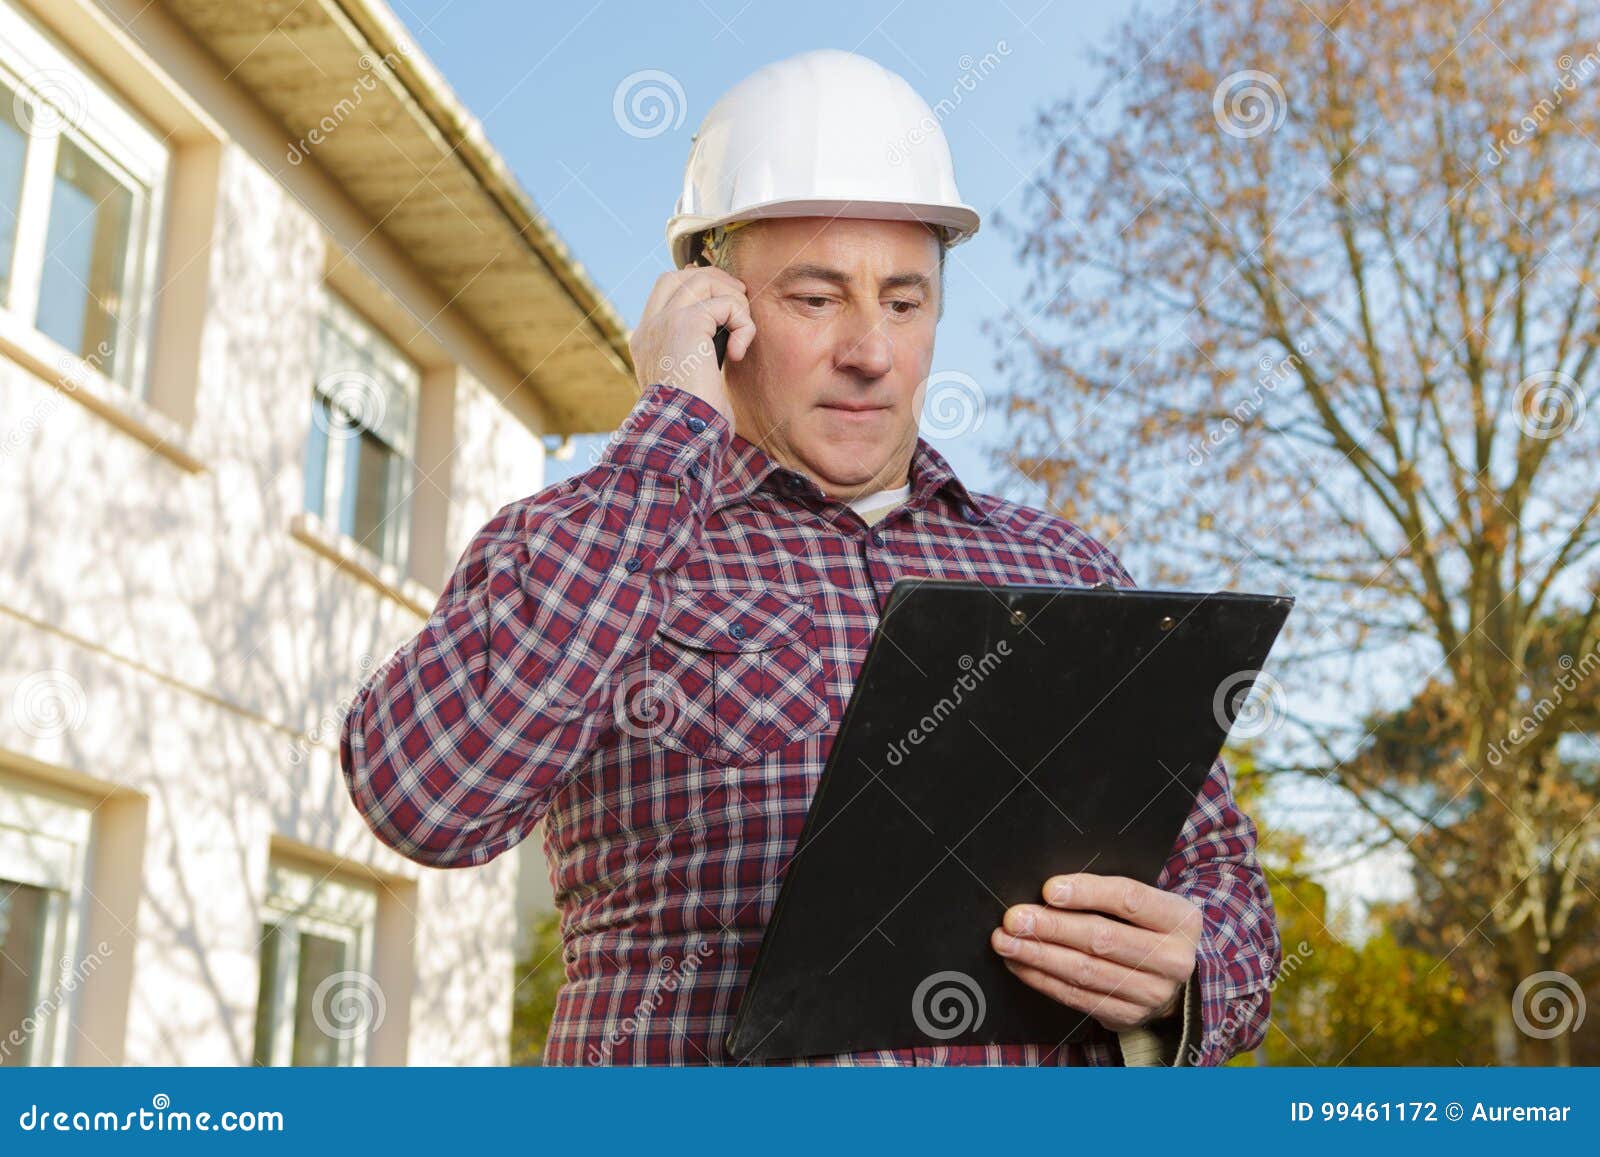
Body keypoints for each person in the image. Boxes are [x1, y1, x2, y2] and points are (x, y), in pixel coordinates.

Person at [340, 48, 1280, 1066]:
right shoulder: (586, 542)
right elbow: (427, 799)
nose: (871, 349)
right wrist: (666, 432)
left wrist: (1185, 978)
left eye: (905, 301)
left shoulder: (1066, 571)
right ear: (711, 304)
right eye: (816, 297)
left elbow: (1222, 879)